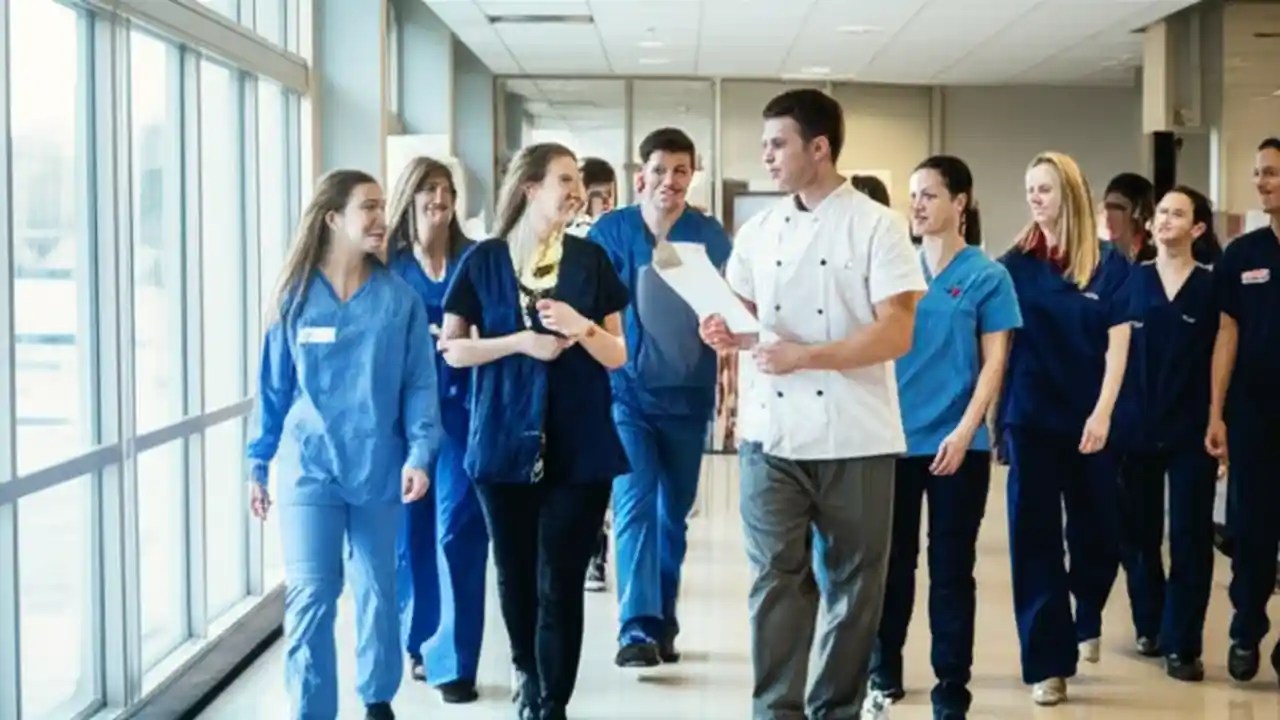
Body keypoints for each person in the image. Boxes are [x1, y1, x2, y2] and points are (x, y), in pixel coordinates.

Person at [699, 88, 926, 719]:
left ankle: (836, 709)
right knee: (776, 579)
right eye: (765, 143)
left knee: (855, 586)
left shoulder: (878, 226)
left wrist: (808, 356)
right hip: (769, 434)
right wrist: (723, 332)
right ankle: (776, 710)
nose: (766, 156)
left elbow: (897, 332)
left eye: (778, 144)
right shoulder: (759, 230)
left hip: (857, 433)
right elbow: (743, 315)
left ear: (819, 148)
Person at [438, 142, 630, 720]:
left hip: (580, 446)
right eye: (564, 179)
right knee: (517, 573)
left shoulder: (590, 262)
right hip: (501, 443)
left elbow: (618, 354)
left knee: (561, 580)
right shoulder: (484, 261)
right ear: (529, 190)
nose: (576, 190)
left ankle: (552, 704)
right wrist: (520, 342)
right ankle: (526, 670)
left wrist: (581, 326)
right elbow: (453, 350)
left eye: (577, 180)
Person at [245, 169, 438, 720]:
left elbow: (419, 386)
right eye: (369, 208)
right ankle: (312, 712)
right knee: (311, 596)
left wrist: (420, 454)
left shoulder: (397, 300)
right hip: (309, 470)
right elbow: (273, 389)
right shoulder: (295, 298)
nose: (382, 219)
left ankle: (376, 698)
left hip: (379, 467)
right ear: (333, 218)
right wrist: (257, 461)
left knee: (378, 589)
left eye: (383, 207)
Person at [863, 155, 1021, 719]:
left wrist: (965, 430)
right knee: (893, 563)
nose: (918, 205)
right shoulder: (892, 268)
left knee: (951, 569)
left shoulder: (986, 276)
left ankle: (951, 686)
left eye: (929, 194)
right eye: (913, 195)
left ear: (961, 204)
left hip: (959, 445)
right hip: (893, 441)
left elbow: (994, 362)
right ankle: (884, 671)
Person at [588, 127, 732, 667]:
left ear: (691, 176)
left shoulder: (709, 236)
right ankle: (636, 628)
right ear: (639, 174)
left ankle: (662, 617)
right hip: (625, 395)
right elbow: (585, 302)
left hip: (688, 396)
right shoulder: (610, 232)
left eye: (680, 171)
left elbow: (734, 305)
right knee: (635, 504)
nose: (669, 181)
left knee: (673, 514)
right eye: (660, 169)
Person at [997, 151, 1134, 707]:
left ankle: (1088, 608)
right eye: (1030, 188)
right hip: (1030, 418)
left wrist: (1102, 413)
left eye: (1046, 189)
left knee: (1102, 533)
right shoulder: (1013, 264)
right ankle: (1047, 665)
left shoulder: (1109, 264)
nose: (1035, 197)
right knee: (1034, 542)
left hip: (1091, 419)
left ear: (1071, 195)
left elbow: (1119, 347)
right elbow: (998, 350)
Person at [384, 157, 484, 703]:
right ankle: (420, 641)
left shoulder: (475, 259)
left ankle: (456, 661)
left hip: (464, 418)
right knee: (412, 536)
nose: (438, 198)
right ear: (410, 198)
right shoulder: (390, 268)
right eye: (427, 189)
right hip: (406, 423)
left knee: (460, 533)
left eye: (446, 189)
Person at [1116, 186, 1221, 682]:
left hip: (1190, 433)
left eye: (1177, 214)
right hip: (1133, 428)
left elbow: (1224, 360)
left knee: (1189, 536)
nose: (1164, 221)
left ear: (1197, 228)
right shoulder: (1128, 282)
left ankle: (1183, 644)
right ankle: (1150, 624)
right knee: (1137, 535)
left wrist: (1221, 422)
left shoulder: (1212, 286)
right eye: (1160, 213)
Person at [1205, 136, 1280, 685]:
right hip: (1254, 414)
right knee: (1252, 529)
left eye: (1272, 172)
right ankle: (1245, 630)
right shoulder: (1243, 255)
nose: (1262, 182)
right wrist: (1216, 411)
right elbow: (1226, 335)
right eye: (1258, 173)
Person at [566, 156, 620, 593]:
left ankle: (595, 554)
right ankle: (590, 554)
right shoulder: (573, 239)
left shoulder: (609, 239)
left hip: (609, 361)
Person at [1102, 172, 1155, 261]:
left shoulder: (1159, 261)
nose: (1108, 216)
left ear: (1139, 212)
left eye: (1117, 208)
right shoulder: (1101, 260)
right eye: (1107, 208)